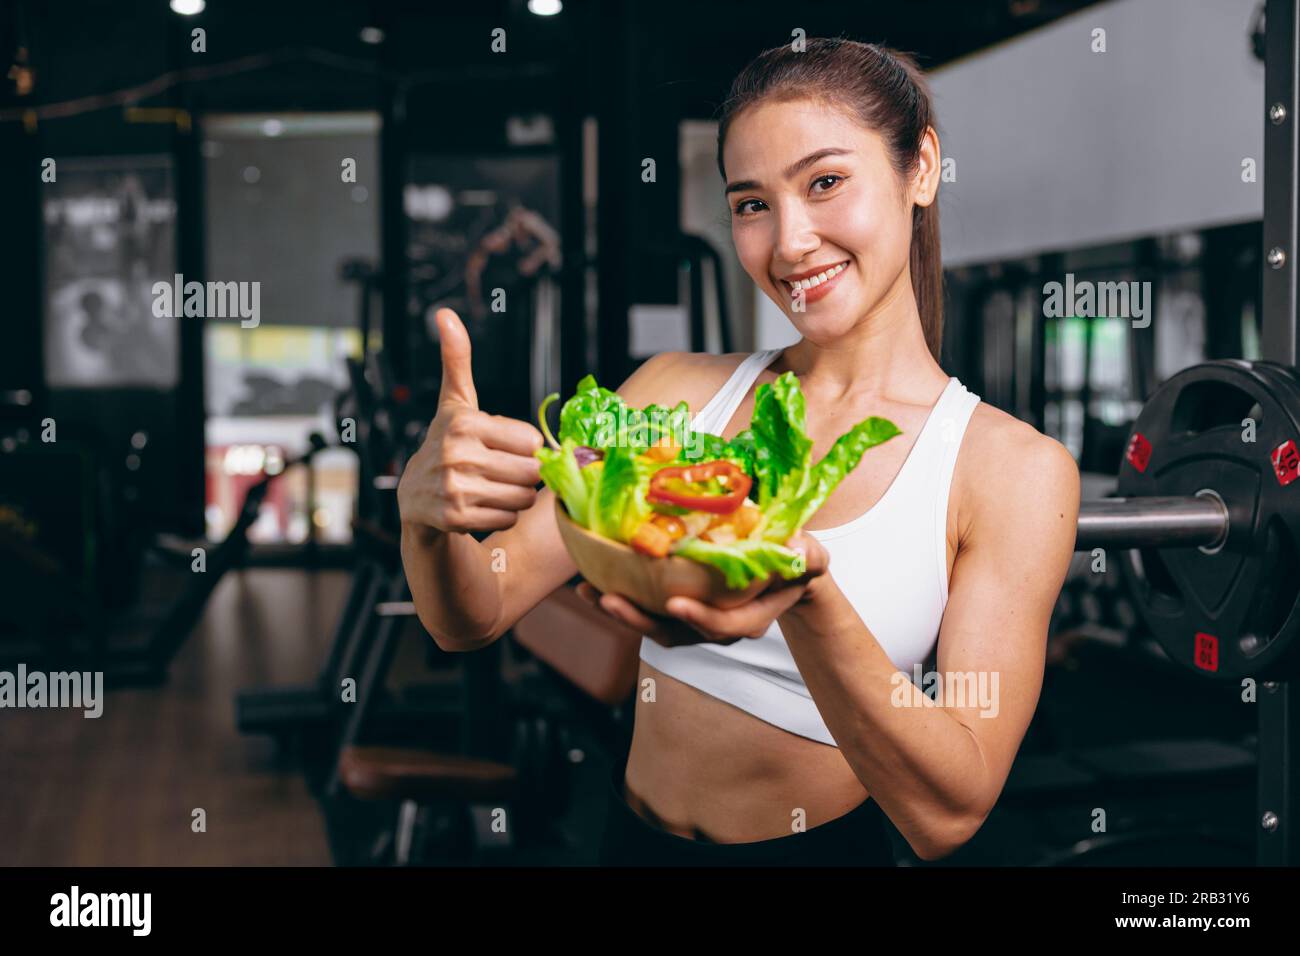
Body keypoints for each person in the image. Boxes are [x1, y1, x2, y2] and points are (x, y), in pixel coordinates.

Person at [397, 38, 1079, 866]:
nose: (789, 243)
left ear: (922, 169)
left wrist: (805, 593)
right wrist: (425, 520)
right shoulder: (673, 392)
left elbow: (950, 813)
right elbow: (470, 616)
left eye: (825, 183)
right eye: (751, 203)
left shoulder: (1010, 469)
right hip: (625, 838)